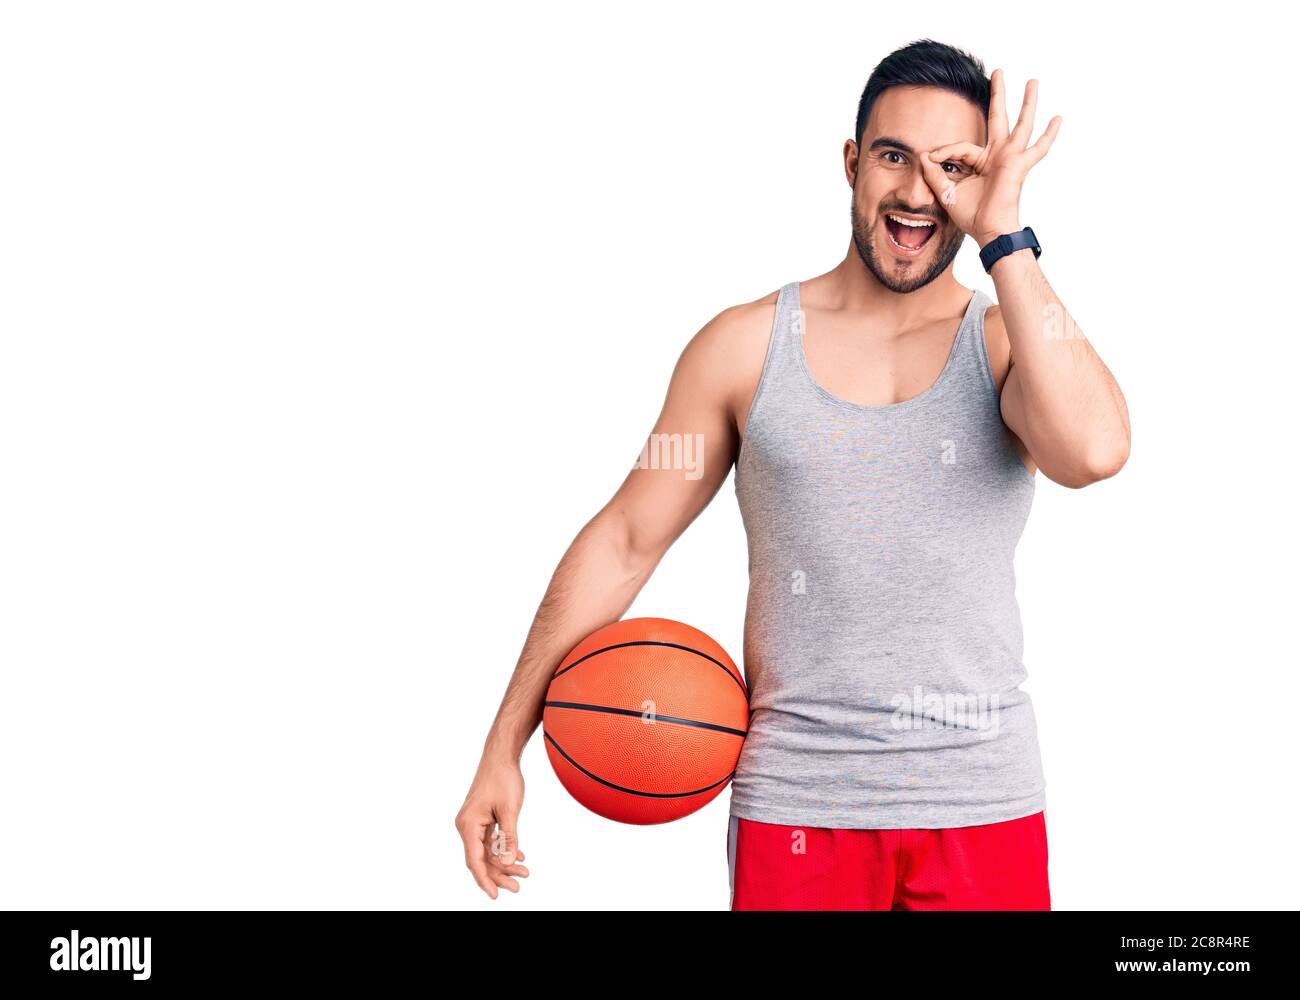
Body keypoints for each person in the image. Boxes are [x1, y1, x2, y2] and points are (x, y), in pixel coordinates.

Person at [456, 38, 1130, 910]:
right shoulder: (742, 348)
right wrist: (502, 745)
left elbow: (1097, 451)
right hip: (798, 808)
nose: (921, 192)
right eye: (894, 156)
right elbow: (624, 540)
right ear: (852, 164)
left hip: (981, 801)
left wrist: (1005, 236)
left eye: (954, 167)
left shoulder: (1007, 345)